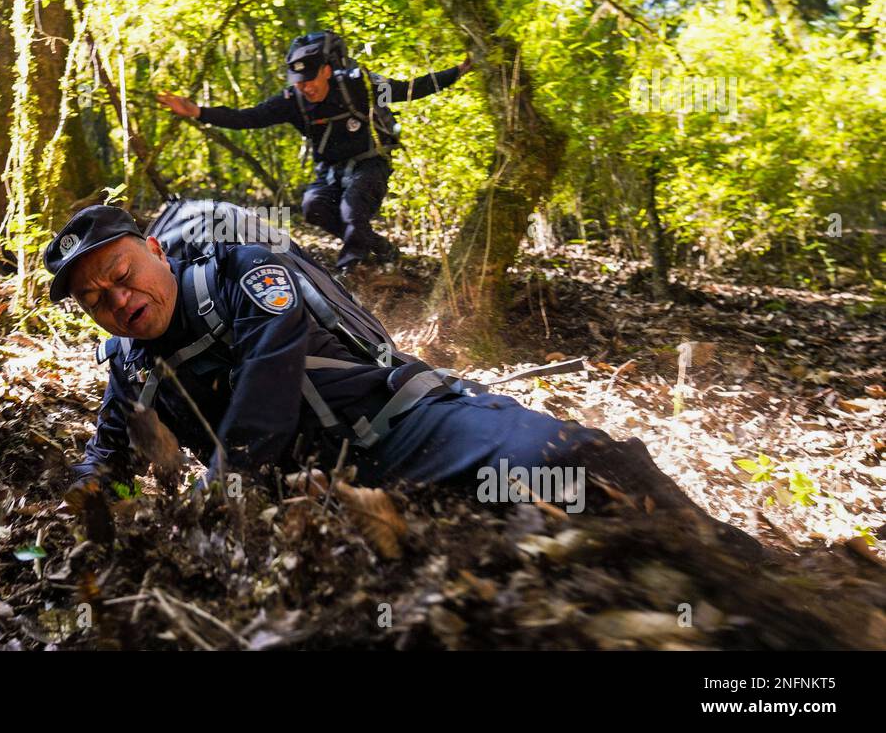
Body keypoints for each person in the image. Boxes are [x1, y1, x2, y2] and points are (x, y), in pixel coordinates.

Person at [44, 204, 765, 559]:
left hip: (408, 431)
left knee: (564, 467)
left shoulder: (241, 274)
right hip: (320, 499)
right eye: (94, 298)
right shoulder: (129, 363)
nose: (116, 298)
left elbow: (270, 362)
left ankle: (744, 562)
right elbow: (108, 455)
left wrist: (220, 485)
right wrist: (90, 493)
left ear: (155, 250)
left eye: (120, 273)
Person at [156, 31, 472, 271]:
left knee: (352, 207)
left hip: (369, 164)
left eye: (310, 79)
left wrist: (460, 70)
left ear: (326, 70)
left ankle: (351, 267)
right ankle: (381, 248)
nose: (306, 87)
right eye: (298, 81)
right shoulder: (292, 101)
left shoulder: (357, 85)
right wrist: (198, 111)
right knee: (313, 207)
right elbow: (247, 118)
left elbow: (411, 89)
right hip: (331, 171)